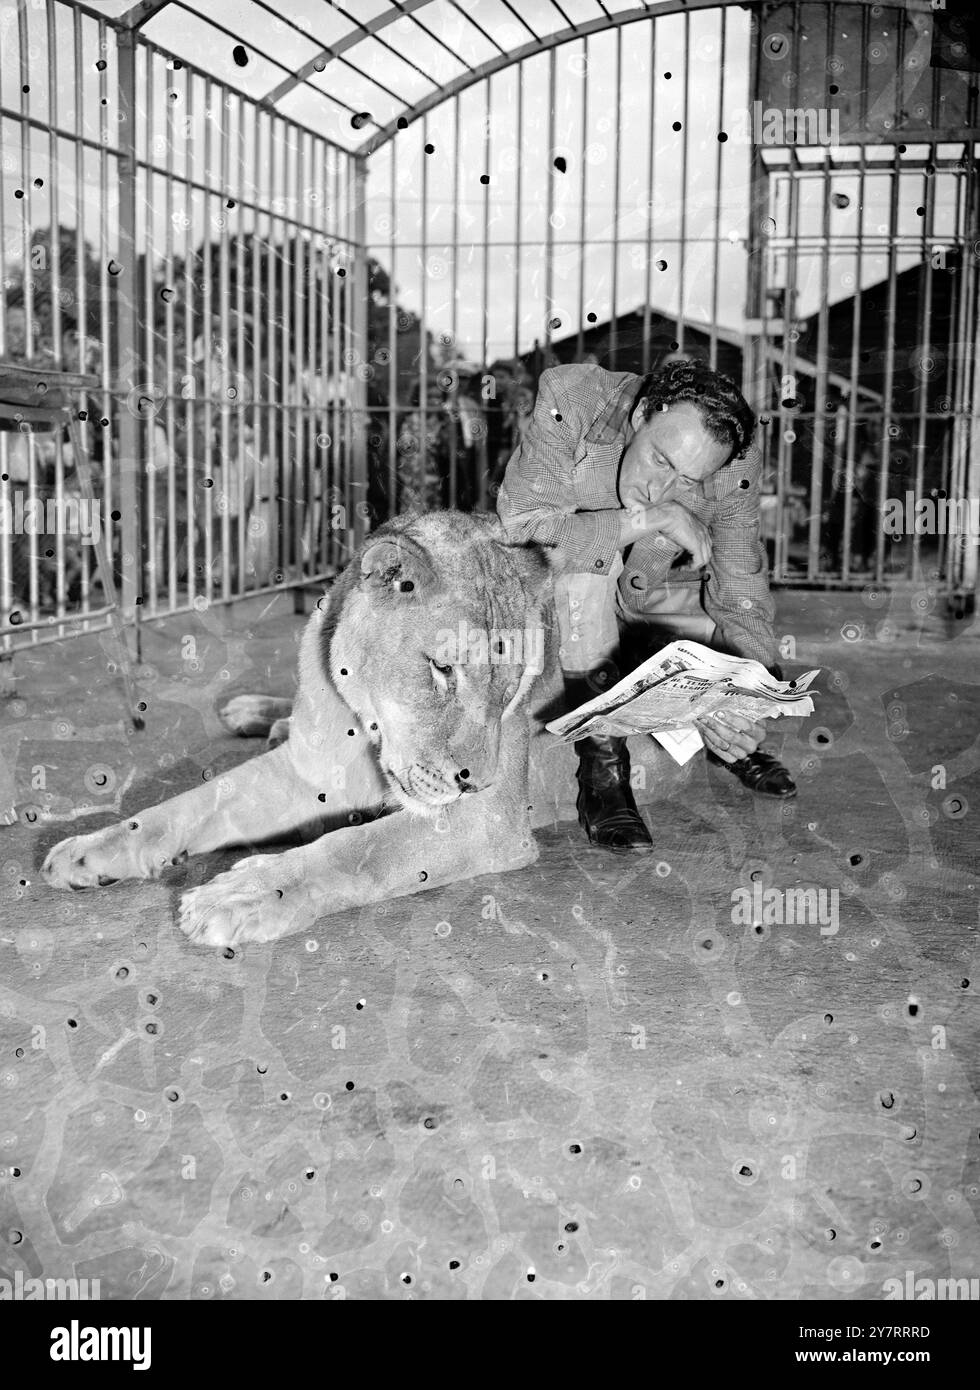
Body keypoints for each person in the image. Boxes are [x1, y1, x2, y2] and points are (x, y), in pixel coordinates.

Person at [496, 357, 797, 852]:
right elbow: (524, 530)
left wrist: (742, 696)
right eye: (660, 459)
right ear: (640, 417)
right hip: (567, 593)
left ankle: (726, 741)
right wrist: (652, 517)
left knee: (723, 632)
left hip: (646, 588)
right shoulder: (572, 397)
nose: (662, 486)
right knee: (582, 576)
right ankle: (604, 772)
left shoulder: (736, 458)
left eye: (687, 479)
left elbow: (740, 583)